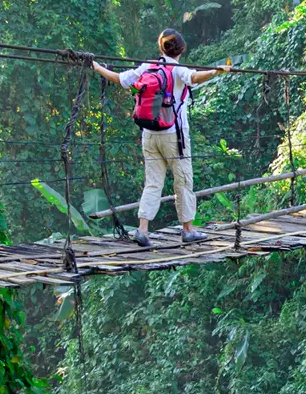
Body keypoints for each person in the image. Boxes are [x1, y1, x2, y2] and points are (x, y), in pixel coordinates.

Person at [92, 29, 222, 247]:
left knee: (152, 183)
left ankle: (142, 230)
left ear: (161, 48)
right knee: (183, 181)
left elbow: (120, 79)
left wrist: (96, 67)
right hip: (174, 137)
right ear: (181, 50)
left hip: (149, 135)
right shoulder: (177, 69)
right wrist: (216, 72)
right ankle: (188, 230)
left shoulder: (148, 67)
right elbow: (194, 78)